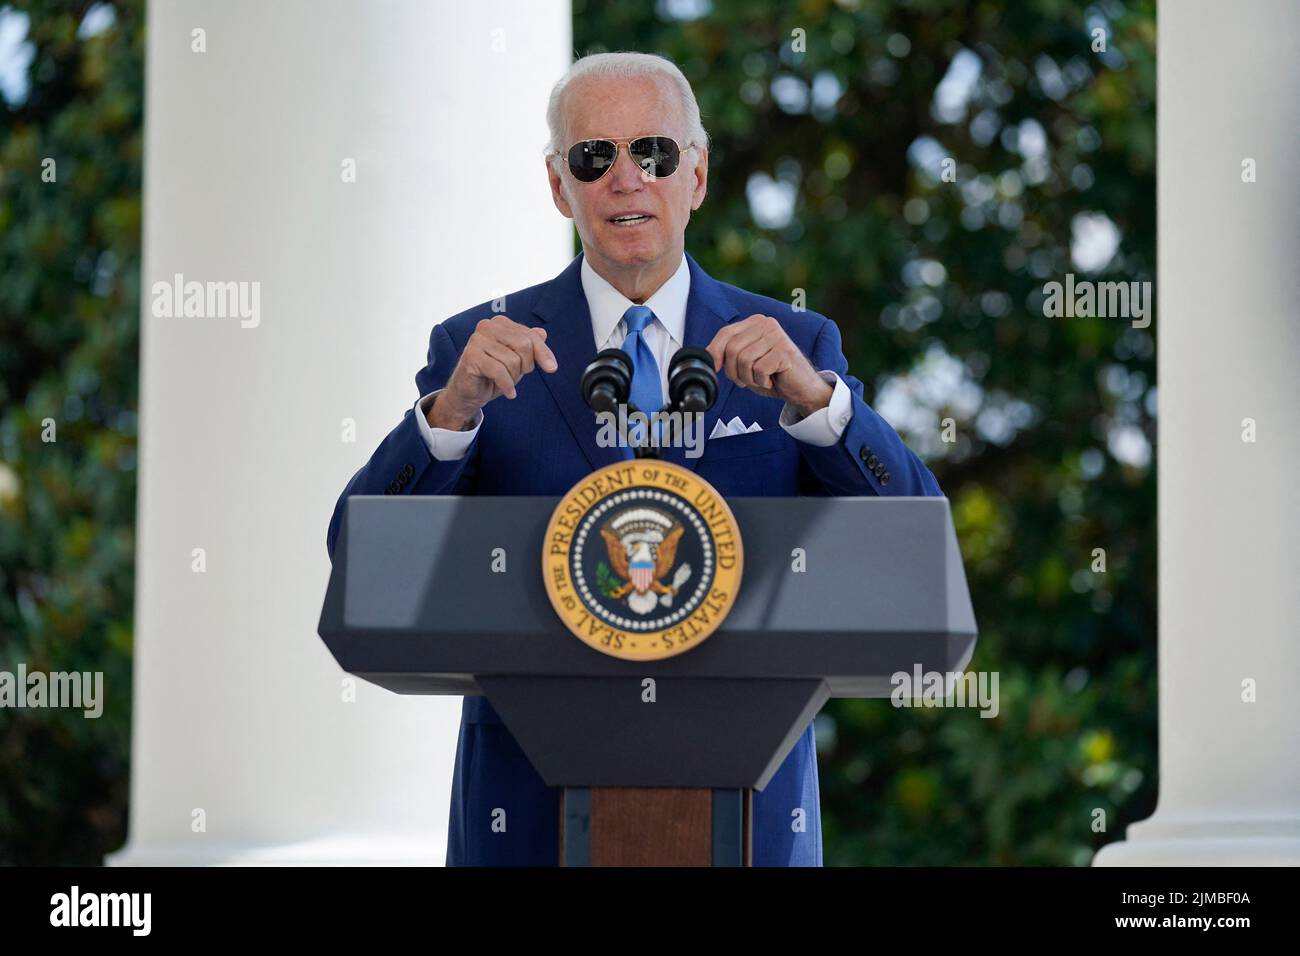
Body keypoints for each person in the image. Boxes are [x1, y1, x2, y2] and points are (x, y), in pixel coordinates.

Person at [327, 51, 942, 866]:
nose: (627, 180)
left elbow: (916, 542)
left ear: (697, 174)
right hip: (527, 817)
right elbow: (359, 555)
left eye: (653, 153)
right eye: (595, 157)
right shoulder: (475, 349)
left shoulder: (795, 347)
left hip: (749, 818)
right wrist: (450, 414)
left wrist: (821, 407)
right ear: (559, 185)